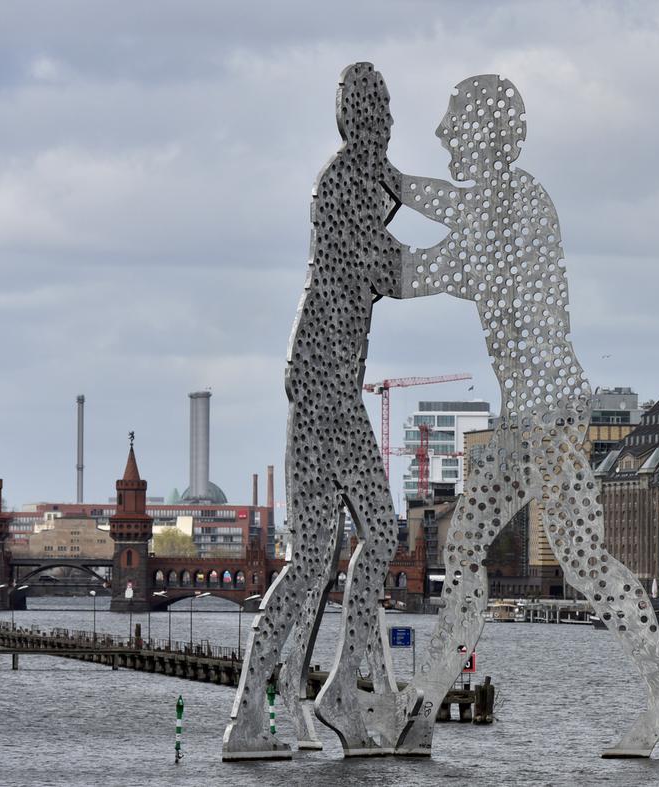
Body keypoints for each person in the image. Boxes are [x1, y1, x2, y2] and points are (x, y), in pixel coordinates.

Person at [386, 74, 659, 758]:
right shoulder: (501, 203)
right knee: (497, 550)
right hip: (529, 420)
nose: (442, 132)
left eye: (454, 120)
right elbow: (449, 209)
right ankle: (427, 703)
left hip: (548, 420)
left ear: (487, 132)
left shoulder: (517, 207)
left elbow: (420, 270)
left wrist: (372, 215)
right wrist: (393, 184)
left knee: (560, 557)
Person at [222, 61, 406, 760]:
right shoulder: (345, 183)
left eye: (386, 109)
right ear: (358, 118)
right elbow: (391, 270)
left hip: (328, 387)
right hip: (324, 388)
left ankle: (281, 707)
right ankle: (296, 703)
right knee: (338, 549)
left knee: (331, 553)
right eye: (378, 109)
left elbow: (395, 220)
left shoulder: (359, 179)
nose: (387, 120)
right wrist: (473, 260)